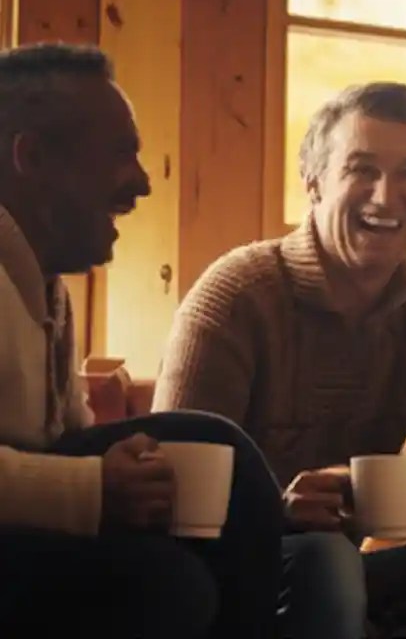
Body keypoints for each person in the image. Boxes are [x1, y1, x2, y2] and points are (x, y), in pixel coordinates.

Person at [152, 82, 406, 639]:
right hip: (233, 569)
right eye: (362, 170)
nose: (386, 195)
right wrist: (277, 509)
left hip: (343, 570)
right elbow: (174, 493)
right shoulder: (237, 294)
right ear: (314, 183)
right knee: (326, 559)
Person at [0, 42, 284, 638]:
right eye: (120, 154)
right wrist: (90, 486)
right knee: (167, 585)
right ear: (31, 156)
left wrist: (124, 468)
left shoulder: (43, 283)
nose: (145, 182)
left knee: (215, 455)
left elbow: (62, 442)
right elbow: (68, 469)